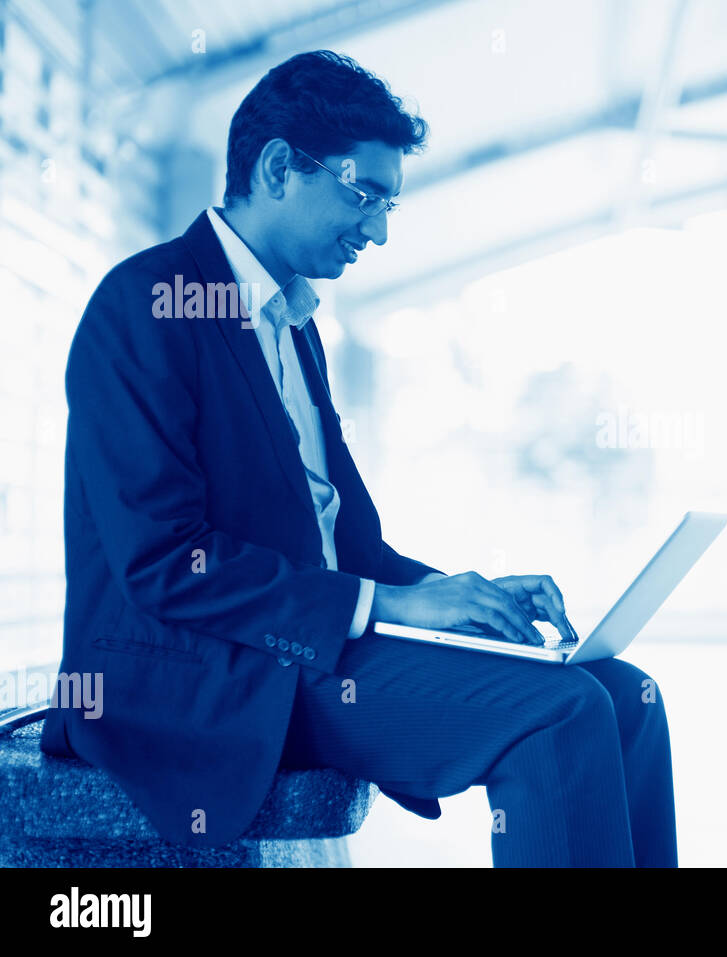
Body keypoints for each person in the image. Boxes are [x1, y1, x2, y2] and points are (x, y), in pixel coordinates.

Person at [40, 50, 676, 867]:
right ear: (278, 168)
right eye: (363, 193)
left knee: (624, 696)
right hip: (199, 677)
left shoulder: (294, 324)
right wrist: (395, 607)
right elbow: (165, 561)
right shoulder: (145, 304)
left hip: (290, 652)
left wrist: (453, 596)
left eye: (388, 204)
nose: (377, 228)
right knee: (559, 713)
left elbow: (344, 547)